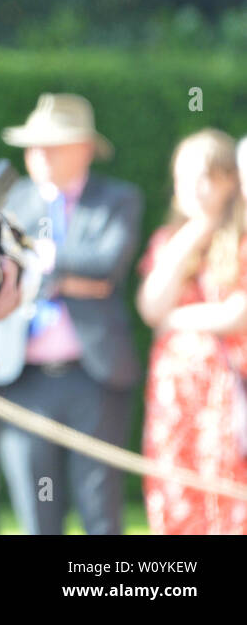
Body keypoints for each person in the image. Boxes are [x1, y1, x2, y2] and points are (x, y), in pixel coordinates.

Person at [0, 93, 143, 534]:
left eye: (53, 143)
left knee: (100, 510)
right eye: (34, 144)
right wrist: (68, 273)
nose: (40, 154)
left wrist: (37, 261)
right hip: (23, 378)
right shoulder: (10, 201)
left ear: (86, 148)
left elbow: (106, 266)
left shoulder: (117, 199)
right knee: (36, 513)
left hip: (93, 375)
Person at [137, 129, 247, 534]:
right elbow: (151, 305)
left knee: (226, 490)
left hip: (226, 395)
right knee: (177, 491)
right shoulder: (169, 241)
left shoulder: (241, 241)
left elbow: (238, 314)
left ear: (230, 180)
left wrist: (176, 320)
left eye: (207, 177)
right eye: (185, 178)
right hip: (176, 396)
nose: (195, 189)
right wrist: (197, 228)